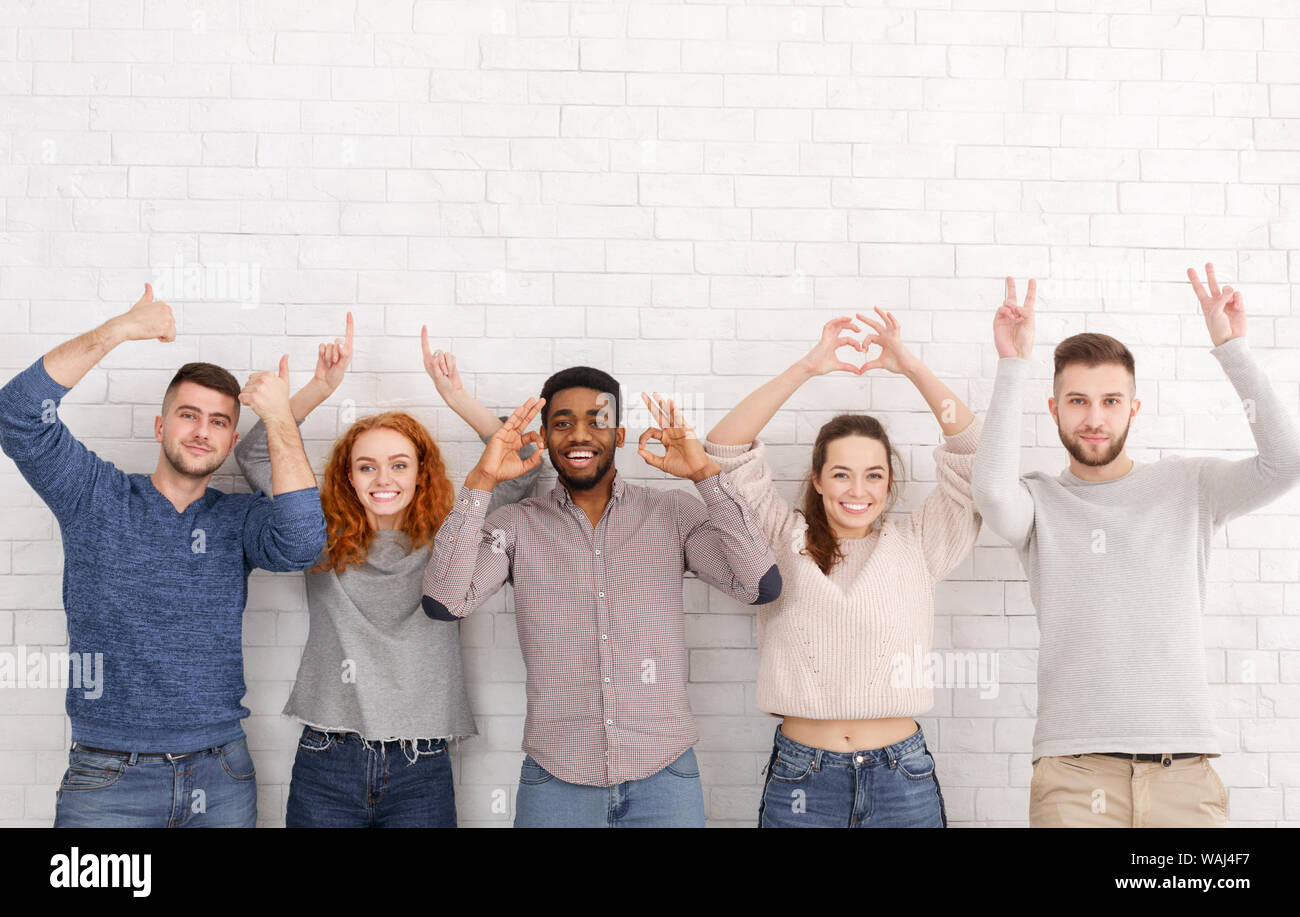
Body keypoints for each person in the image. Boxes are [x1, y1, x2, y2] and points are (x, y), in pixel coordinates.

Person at [972, 268, 1300, 827]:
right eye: (1077, 401)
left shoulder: (1190, 486)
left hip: (1184, 773)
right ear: (1053, 411)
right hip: (1074, 774)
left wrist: (1232, 349)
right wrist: (1012, 364)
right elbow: (991, 494)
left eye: (1110, 401)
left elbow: (1286, 462)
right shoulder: (1039, 502)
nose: (1094, 419)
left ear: (1133, 409)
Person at [0, 284, 326, 827]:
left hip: (221, 773)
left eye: (219, 421)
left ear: (228, 440)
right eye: (188, 415)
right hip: (107, 778)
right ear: (159, 426)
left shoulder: (238, 518)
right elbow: (17, 414)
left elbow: (302, 544)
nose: (202, 431)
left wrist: (279, 420)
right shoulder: (94, 495)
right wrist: (120, 330)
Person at [423, 366, 782, 827]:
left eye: (596, 421)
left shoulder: (671, 513)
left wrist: (704, 474)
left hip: (664, 777)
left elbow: (759, 585)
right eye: (563, 422)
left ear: (619, 433)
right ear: (546, 435)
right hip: (556, 780)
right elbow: (444, 601)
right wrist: (481, 480)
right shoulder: (515, 525)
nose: (579, 435)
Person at [234, 319, 540, 827]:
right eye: (366, 466)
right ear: (347, 476)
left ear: (421, 473)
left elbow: (526, 462)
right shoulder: (318, 532)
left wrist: (456, 395)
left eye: (399, 465)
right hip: (327, 758)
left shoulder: (452, 535)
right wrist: (319, 388)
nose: (383, 478)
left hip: (420, 766)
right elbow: (255, 454)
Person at [704, 312, 982, 828]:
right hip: (802, 777)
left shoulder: (919, 543)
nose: (858, 491)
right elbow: (722, 452)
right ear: (817, 478)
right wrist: (807, 368)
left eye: (873, 475)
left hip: (902, 778)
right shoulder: (780, 537)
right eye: (842, 474)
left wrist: (911, 367)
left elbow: (973, 457)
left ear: (889, 480)